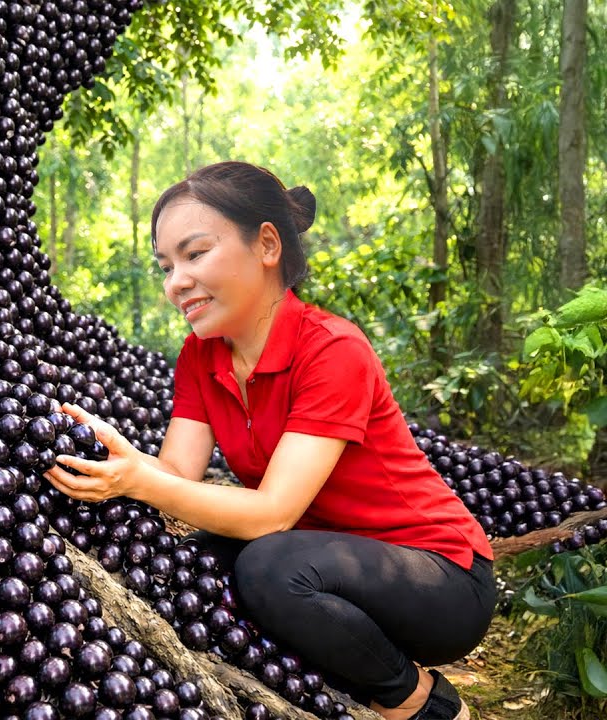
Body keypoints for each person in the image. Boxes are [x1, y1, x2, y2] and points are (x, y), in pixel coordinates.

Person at [42, 161, 495, 720]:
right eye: (165, 265)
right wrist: (124, 464)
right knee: (187, 568)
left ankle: (418, 700)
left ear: (267, 245)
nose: (175, 281)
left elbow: (271, 515)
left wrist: (139, 481)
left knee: (267, 568)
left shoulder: (332, 350)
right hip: (322, 555)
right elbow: (176, 475)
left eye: (195, 253)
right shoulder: (201, 357)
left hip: (439, 578)